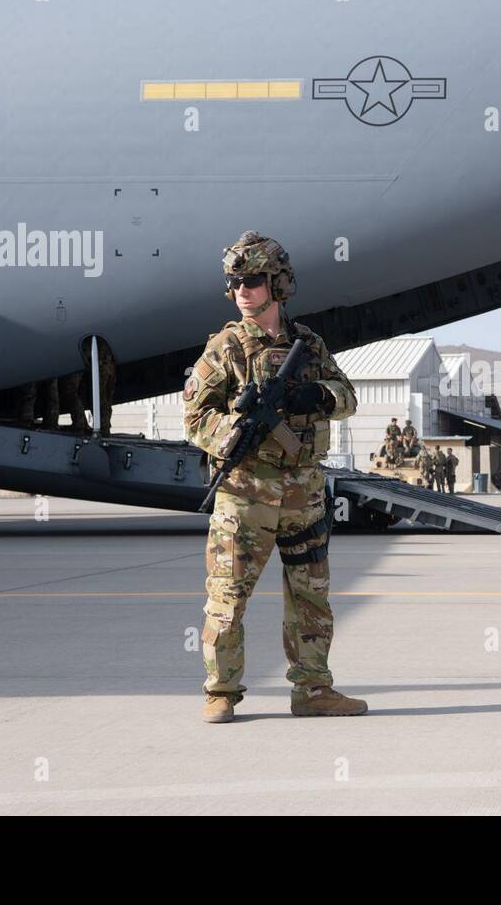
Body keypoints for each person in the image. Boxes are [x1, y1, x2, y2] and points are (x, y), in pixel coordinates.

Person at [183, 231, 365, 724]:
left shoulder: (307, 344)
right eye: (235, 281)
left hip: (302, 491)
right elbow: (194, 419)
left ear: (278, 284)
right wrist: (237, 428)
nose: (242, 290)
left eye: (253, 280)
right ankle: (220, 691)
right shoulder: (225, 349)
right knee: (227, 598)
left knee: (311, 595)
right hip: (245, 495)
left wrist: (317, 398)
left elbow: (348, 396)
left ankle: (313, 689)